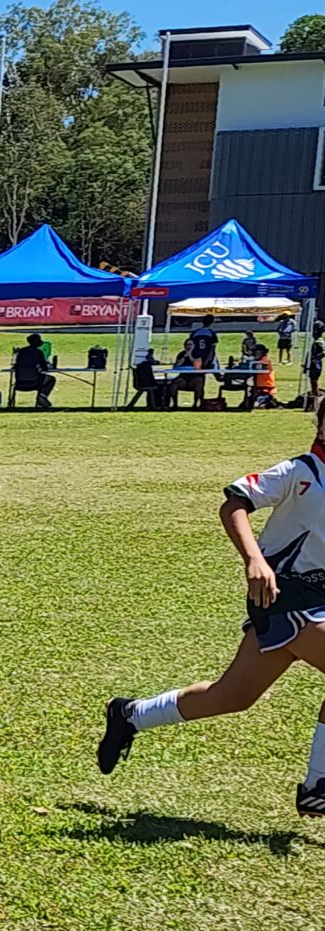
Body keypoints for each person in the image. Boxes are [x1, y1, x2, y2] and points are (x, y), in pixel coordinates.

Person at [99, 399, 325, 818]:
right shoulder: (300, 472)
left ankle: (130, 714)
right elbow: (234, 503)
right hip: (283, 597)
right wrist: (254, 559)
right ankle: (319, 784)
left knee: (233, 696)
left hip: (319, 601)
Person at [11, 334, 56, 409]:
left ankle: (41, 398)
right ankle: (42, 396)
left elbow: (17, 364)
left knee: (44, 378)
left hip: (19, 381)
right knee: (51, 379)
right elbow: (44, 368)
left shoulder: (22, 351)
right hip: (34, 381)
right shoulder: (38, 352)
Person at [246, 344, 278, 410]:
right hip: (258, 387)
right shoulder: (256, 361)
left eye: (255, 351)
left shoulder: (265, 360)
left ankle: (268, 401)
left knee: (257, 403)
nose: (253, 353)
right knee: (247, 402)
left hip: (266, 388)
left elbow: (260, 368)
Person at [307, 322, 324, 409]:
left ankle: (316, 397)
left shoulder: (319, 342)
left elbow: (323, 352)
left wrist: (315, 358)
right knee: (312, 380)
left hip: (316, 363)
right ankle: (314, 395)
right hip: (313, 363)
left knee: (314, 380)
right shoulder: (316, 341)